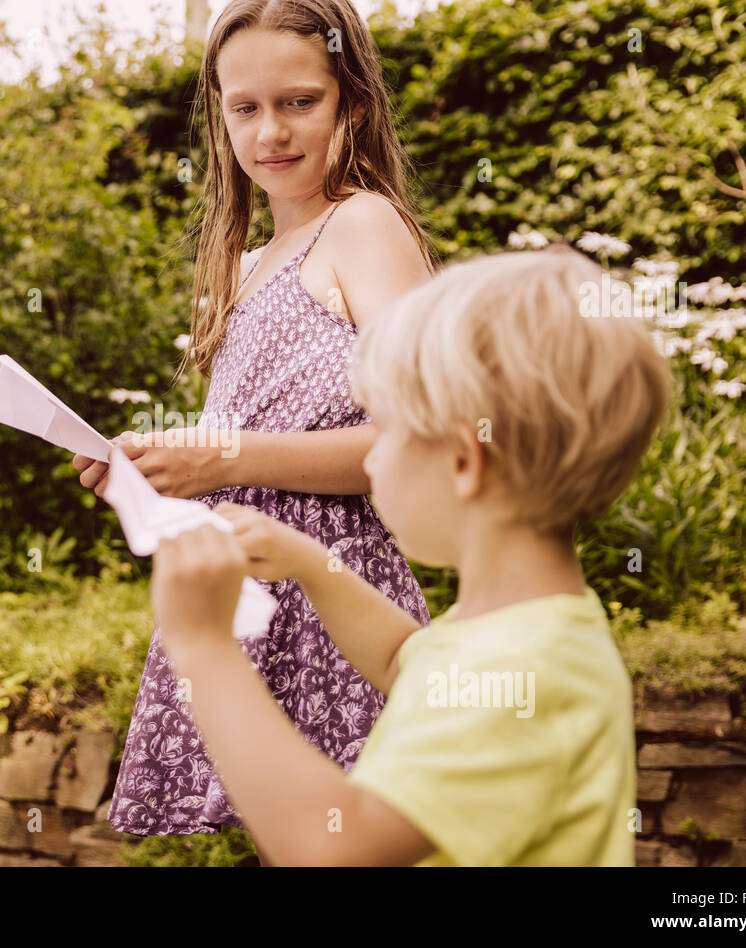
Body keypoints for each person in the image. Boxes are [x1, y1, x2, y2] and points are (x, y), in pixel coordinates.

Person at [150, 244, 671, 865]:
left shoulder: (521, 670)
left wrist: (203, 648)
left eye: (386, 430)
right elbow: (405, 659)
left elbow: (332, 850)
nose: (370, 456)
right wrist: (312, 563)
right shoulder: (528, 634)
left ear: (463, 460)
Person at [72, 0, 439, 846]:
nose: (270, 130)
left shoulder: (364, 226)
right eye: (245, 108)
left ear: (352, 101)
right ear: (220, 117)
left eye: (299, 101)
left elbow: (419, 439)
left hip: (338, 605)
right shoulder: (244, 265)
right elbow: (245, 468)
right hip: (253, 601)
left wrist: (221, 455)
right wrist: (156, 479)